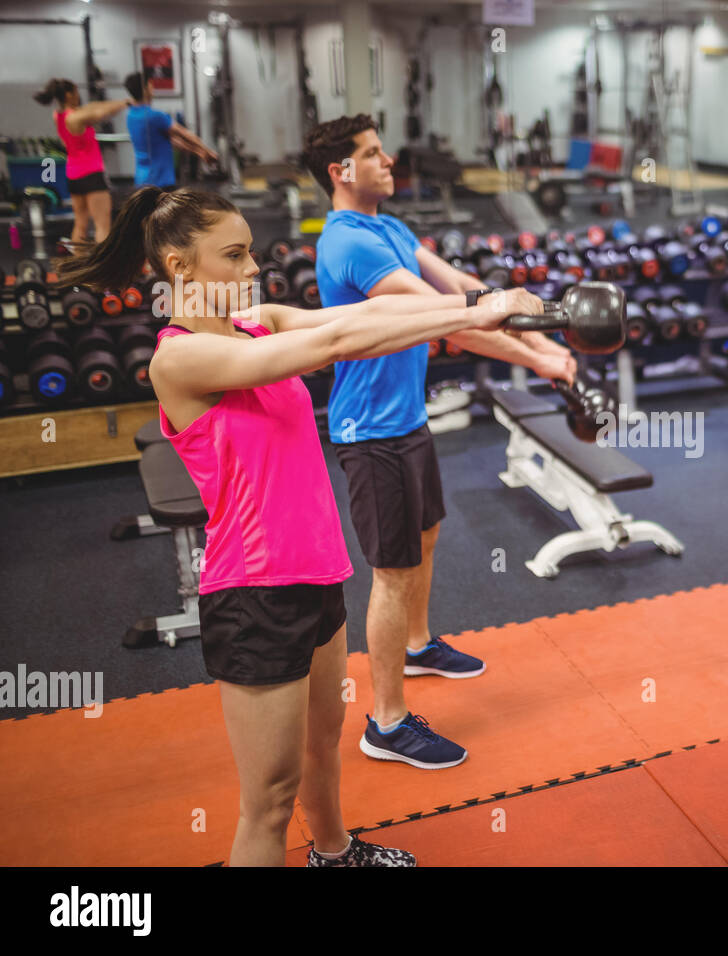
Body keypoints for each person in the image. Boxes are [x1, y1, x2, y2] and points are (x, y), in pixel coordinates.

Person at [56, 186, 544, 866]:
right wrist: (474, 308)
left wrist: (486, 308)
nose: (253, 267)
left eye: (251, 250)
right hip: (255, 594)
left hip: (318, 573)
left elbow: (367, 312)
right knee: (269, 801)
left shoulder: (259, 322)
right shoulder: (180, 359)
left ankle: (336, 852)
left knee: (322, 745)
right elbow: (342, 338)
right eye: (233, 254)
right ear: (180, 268)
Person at [301, 114, 575, 771]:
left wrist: (543, 336)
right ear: (341, 172)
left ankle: (419, 647)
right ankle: (387, 724)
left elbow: (462, 287)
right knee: (392, 573)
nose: (389, 158)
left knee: (426, 536)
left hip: (406, 420)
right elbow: (451, 316)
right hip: (370, 431)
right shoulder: (348, 242)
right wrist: (541, 363)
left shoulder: (389, 227)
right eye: (372, 153)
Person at [33, 78, 128, 245]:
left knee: (80, 225)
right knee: (102, 226)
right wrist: (126, 103)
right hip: (91, 174)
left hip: (73, 176)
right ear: (69, 94)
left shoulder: (58, 116)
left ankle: (76, 266)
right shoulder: (76, 118)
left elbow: (92, 108)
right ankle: (103, 269)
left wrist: (120, 101)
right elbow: (100, 113)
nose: (79, 95)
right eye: (76, 92)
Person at [124, 72, 218, 188]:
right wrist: (208, 151)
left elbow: (173, 142)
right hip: (161, 182)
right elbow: (185, 134)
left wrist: (200, 153)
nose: (152, 88)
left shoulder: (130, 115)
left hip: (141, 180)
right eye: (150, 85)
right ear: (146, 88)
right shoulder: (155, 116)